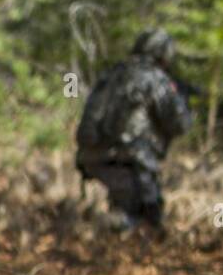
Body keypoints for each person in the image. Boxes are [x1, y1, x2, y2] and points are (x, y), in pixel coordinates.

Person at [76, 29, 194, 230]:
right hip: (132, 160)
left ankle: (96, 222)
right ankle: (104, 226)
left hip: (91, 158)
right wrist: (184, 103)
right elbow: (179, 124)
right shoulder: (156, 80)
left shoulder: (112, 74)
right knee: (146, 217)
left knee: (135, 210)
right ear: (163, 54)